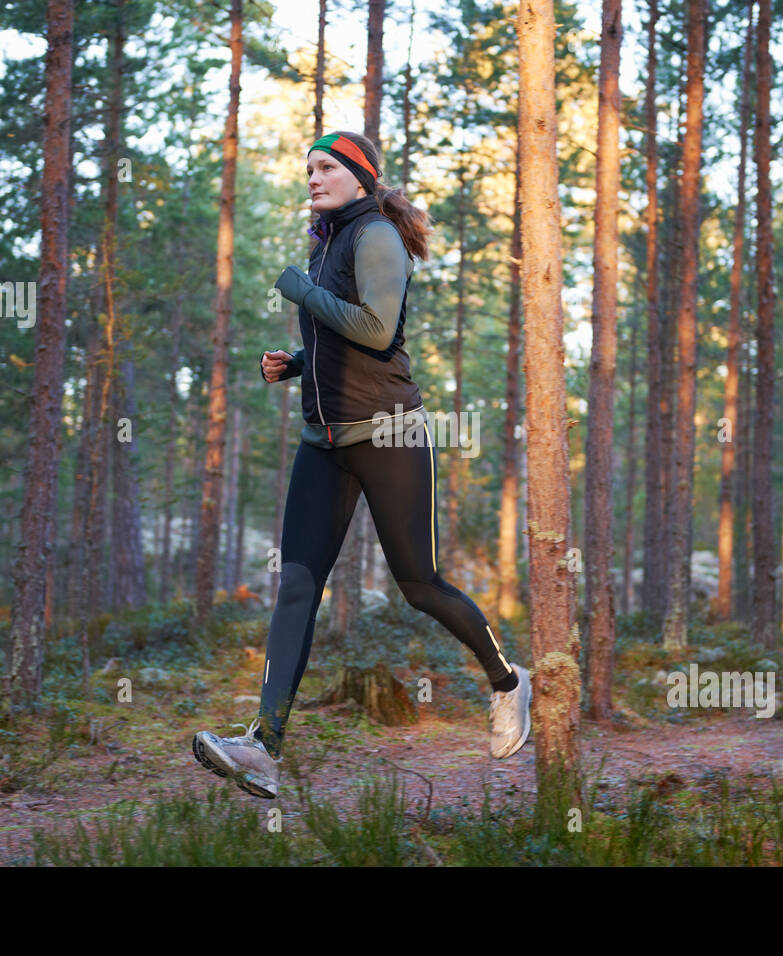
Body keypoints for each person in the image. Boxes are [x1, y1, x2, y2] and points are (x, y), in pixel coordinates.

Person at [192, 130, 531, 799]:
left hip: (389, 436)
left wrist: (299, 291)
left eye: (324, 168)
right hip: (325, 442)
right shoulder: (327, 243)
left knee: (419, 584)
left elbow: (378, 330)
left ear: (358, 176)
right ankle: (265, 745)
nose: (312, 178)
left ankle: (507, 680)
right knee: (295, 585)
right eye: (308, 167)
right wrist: (294, 365)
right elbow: (342, 339)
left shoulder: (375, 234)